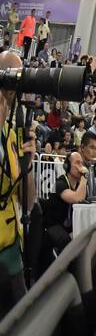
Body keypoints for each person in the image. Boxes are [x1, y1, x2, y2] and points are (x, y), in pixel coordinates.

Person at [0, 50, 38, 315]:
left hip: (12, 251)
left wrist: (29, 165)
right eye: (14, 76)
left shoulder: (13, 129)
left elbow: (28, 201)